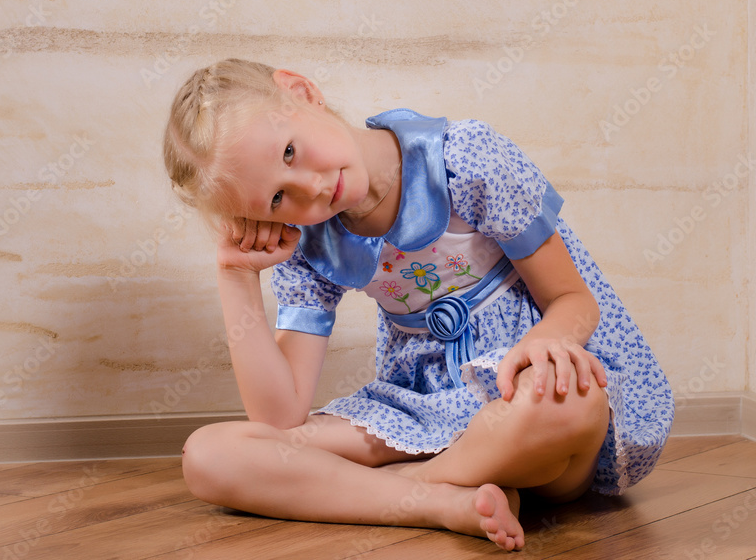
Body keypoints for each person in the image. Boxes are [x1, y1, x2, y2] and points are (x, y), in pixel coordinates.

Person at [162, 58, 674, 551]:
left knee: (569, 401)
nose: (311, 189)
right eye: (276, 199)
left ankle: (415, 486)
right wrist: (236, 276)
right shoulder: (310, 245)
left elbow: (573, 301)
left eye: (291, 153)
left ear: (301, 92)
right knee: (210, 456)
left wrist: (543, 348)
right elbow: (280, 418)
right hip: (421, 412)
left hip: (523, 411)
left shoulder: (465, 159)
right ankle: (440, 505)